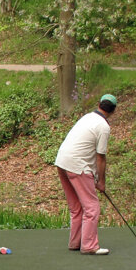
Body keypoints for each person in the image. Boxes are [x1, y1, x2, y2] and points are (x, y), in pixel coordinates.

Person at [54, 94, 117, 255]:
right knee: (92, 207)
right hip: (77, 165)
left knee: (76, 207)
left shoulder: (87, 117)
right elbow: (100, 157)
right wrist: (101, 181)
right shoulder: (103, 126)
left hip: (62, 161)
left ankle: (75, 243)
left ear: (99, 104)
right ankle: (89, 245)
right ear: (114, 111)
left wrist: (95, 176)